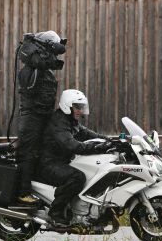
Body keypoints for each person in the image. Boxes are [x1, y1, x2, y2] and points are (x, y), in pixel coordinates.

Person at [38, 89, 107, 226]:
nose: (80, 111)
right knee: (77, 177)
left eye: (81, 107)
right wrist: (97, 147)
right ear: (67, 105)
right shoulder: (58, 122)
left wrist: (111, 142)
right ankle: (55, 213)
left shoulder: (70, 121)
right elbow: (71, 145)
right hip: (47, 163)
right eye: (77, 107)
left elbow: (88, 134)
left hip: (60, 161)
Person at [15, 30, 67, 204]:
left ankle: (44, 190)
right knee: (28, 153)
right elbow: (38, 62)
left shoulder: (43, 69)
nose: (54, 55)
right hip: (32, 118)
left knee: (48, 151)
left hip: (43, 116)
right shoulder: (33, 67)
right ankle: (23, 193)